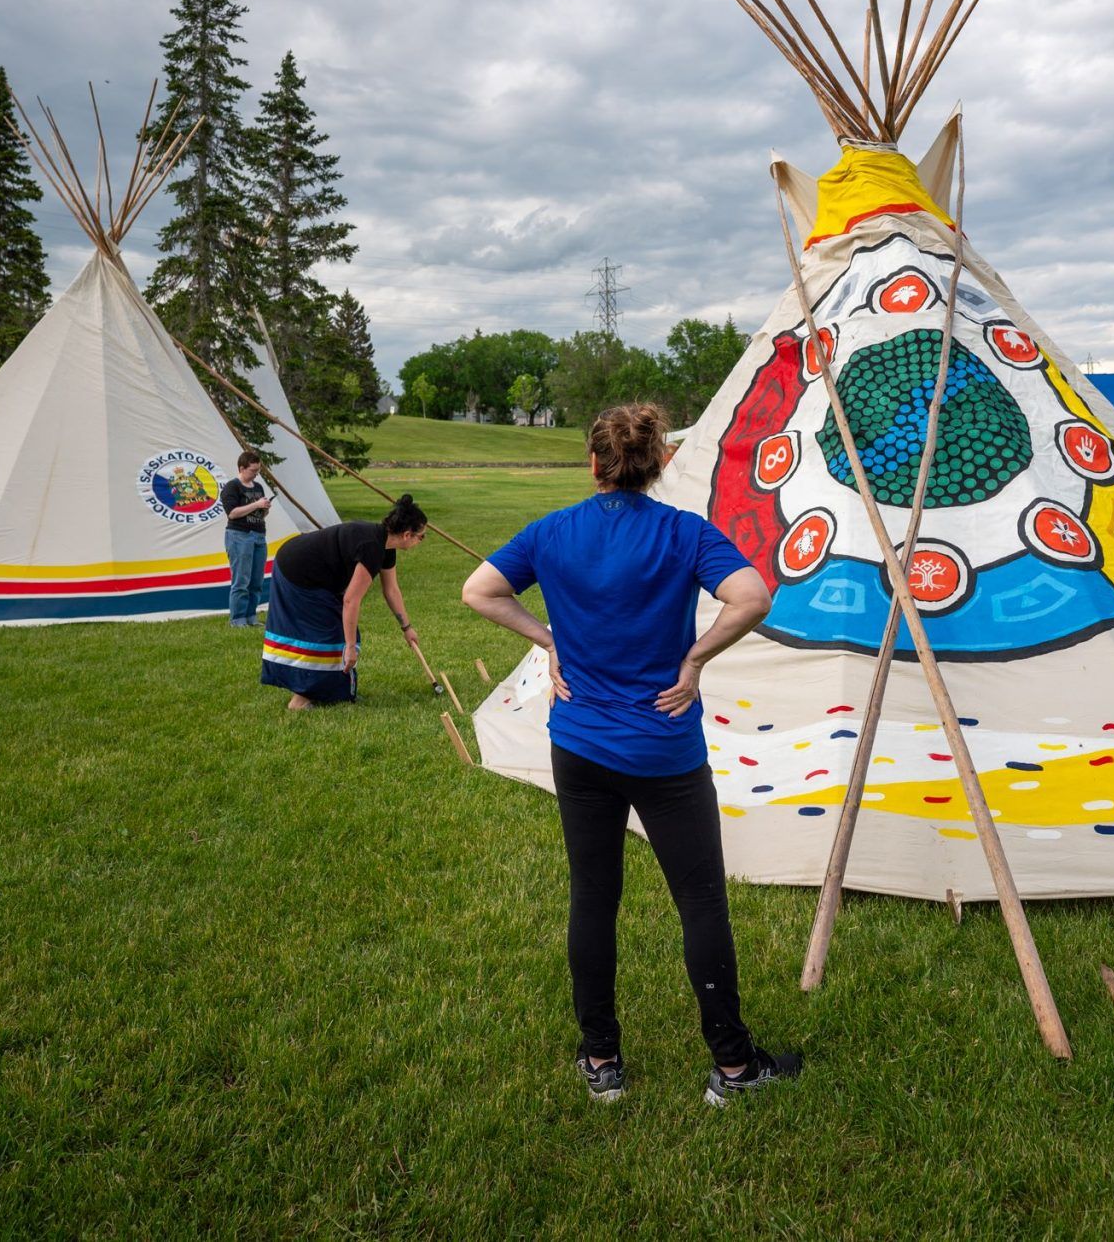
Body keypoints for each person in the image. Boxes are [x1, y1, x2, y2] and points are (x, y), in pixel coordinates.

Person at [460, 402, 792, 1107]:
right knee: (700, 903)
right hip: (664, 748)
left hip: (578, 743)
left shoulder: (554, 530)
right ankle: (733, 1069)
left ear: (593, 462)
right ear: (661, 464)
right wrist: (695, 658)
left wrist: (549, 640)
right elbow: (753, 597)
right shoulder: (683, 531)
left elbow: (479, 591)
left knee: (594, 897)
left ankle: (601, 1059)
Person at [262, 497, 429, 710]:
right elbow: (351, 600)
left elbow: (391, 590)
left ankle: (332, 694)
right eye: (421, 537)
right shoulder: (372, 548)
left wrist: (407, 628)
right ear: (407, 535)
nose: (420, 541)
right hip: (297, 572)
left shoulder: (385, 547)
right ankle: (300, 700)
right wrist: (349, 647)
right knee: (327, 635)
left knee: (337, 635)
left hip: (311, 572)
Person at [217, 450, 275, 627]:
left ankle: (252, 617)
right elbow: (233, 513)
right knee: (241, 580)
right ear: (242, 468)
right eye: (252, 471)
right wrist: (256, 504)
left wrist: (264, 508)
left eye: (257, 471)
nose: (255, 474)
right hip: (239, 536)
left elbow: (258, 514)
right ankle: (237, 619)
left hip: (258, 535)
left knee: (256, 581)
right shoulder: (231, 487)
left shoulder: (258, 487)